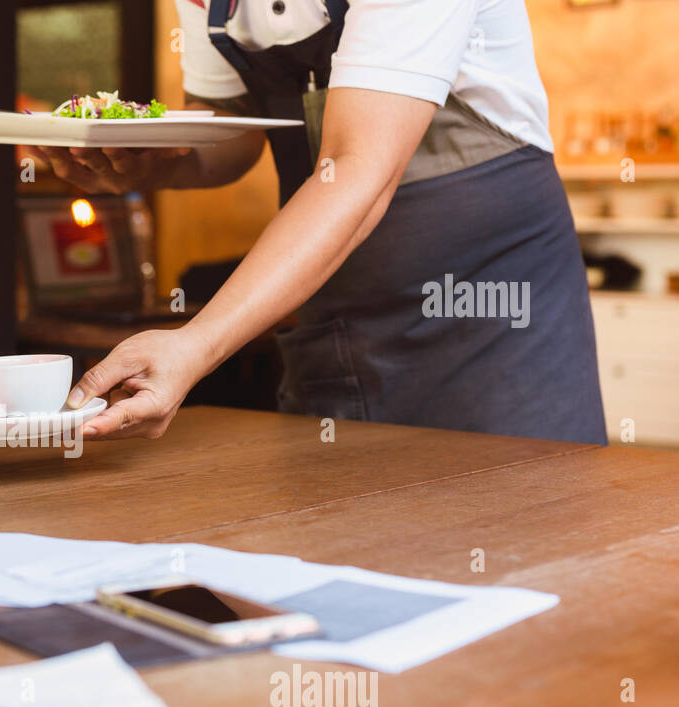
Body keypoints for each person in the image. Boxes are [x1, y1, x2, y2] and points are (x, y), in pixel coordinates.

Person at [33, 0, 607, 445]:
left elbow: (358, 167)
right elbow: (231, 132)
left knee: (513, 558)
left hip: (489, 322)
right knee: (338, 555)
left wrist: (195, 346)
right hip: (335, 312)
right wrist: (140, 164)